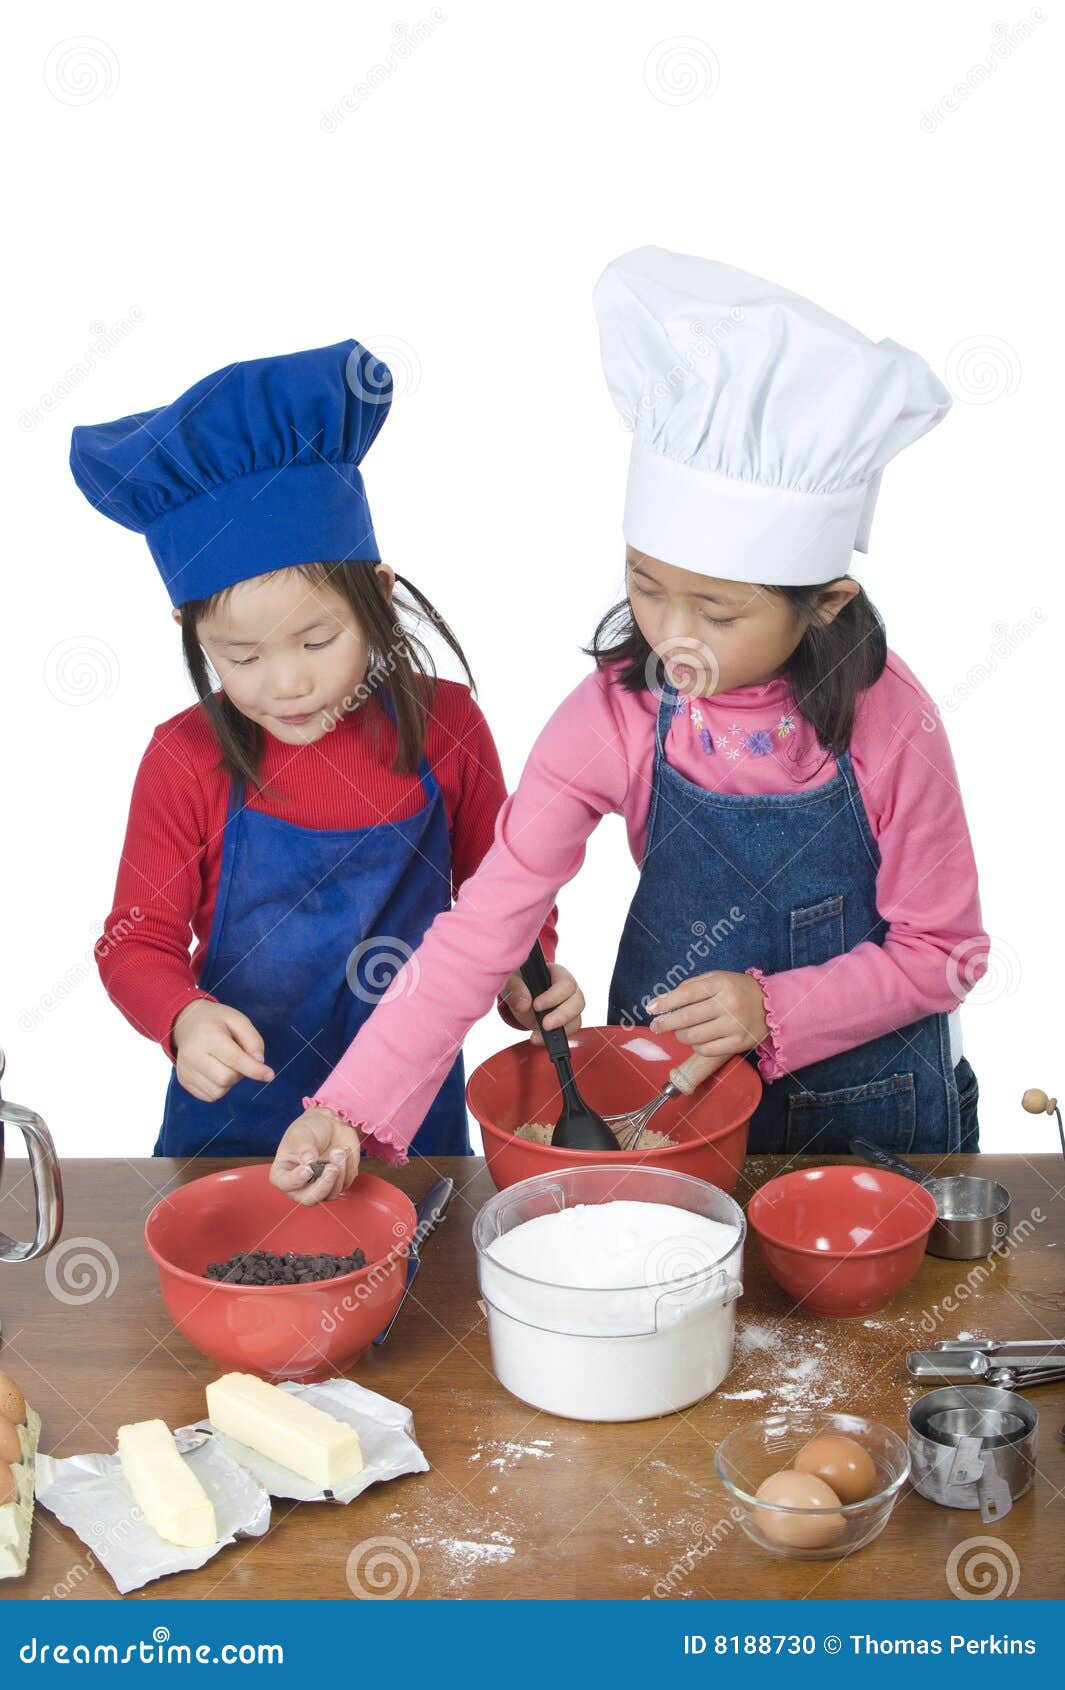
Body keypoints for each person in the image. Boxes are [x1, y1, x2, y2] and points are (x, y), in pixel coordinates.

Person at [271, 250, 987, 1193]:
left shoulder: (892, 722)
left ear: (824, 603)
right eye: (645, 587)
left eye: (717, 611)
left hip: (870, 1117)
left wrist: (776, 1009)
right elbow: (486, 922)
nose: (672, 634)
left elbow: (945, 954)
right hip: (665, 1113)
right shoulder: (614, 714)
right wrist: (347, 1106)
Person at [70, 340, 582, 1193]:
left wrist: (528, 973)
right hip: (235, 1124)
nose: (286, 684)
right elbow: (136, 940)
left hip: (407, 1119)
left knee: (419, 1271)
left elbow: (500, 892)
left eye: (316, 641)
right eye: (240, 657)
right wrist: (181, 1017)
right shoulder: (184, 758)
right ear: (190, 634)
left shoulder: (446, 726)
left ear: (377, 595)